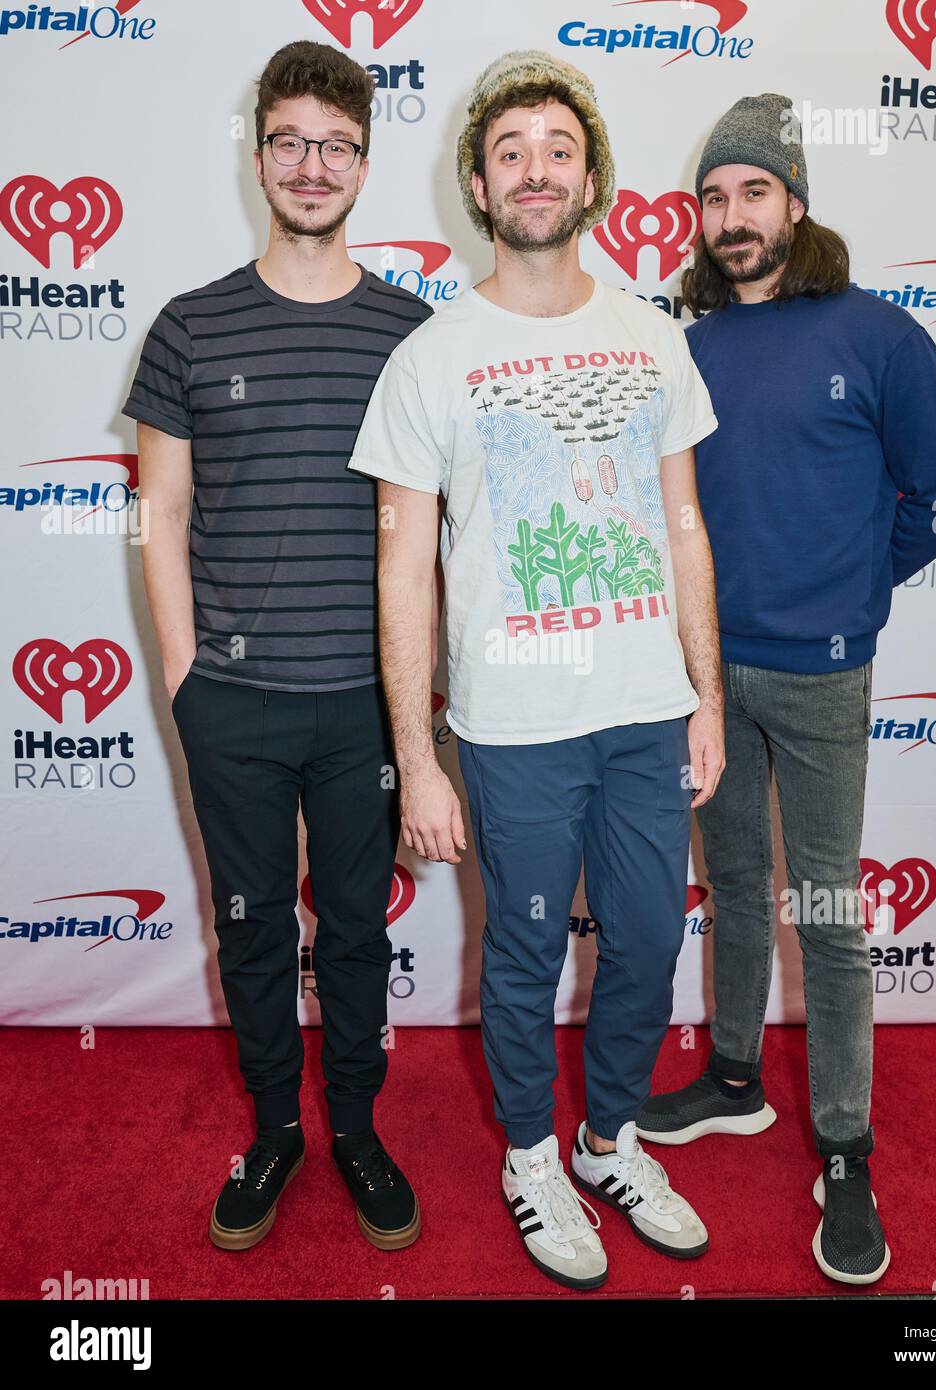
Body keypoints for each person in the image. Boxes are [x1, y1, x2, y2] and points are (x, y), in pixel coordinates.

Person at [348, 51, 724, 1290]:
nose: (534, 169)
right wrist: (417, 757)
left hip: (642, 710)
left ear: (592, 177)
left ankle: (607, 1138)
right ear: (476, 182)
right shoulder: (432, 356)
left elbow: (683, 529)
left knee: (645, 943)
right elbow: (403, 572)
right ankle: (528, 1154)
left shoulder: (653, 339)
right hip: (510, 722)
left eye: (557, 148)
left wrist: (705, 692)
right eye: (509, 151)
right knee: (518, 954)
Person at [637, 94, 936, 1285]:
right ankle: (734, 1077)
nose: (732, 218)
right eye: (712, 199)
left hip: (827, 678)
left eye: (752, 194)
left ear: (793, 204)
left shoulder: (878, 336)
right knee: (731, 884)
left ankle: (843, 1143)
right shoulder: (679, 344)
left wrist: (853, 594)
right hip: (704, 677)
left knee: (825, 913)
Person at [122, 40, 431, 1253]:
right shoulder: (189, 326)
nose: (314, 165)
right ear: (259, 156)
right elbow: (162, 520)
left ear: (365, 160)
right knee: (250, 925)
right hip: (234, 702)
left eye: (337, 145)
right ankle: (271, 1131)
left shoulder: (411, 334)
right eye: (291, 141)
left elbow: (430, 534)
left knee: (356, 927)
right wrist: (185, 676)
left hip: (365, 702)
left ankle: (353, 1124)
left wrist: (426, 700)